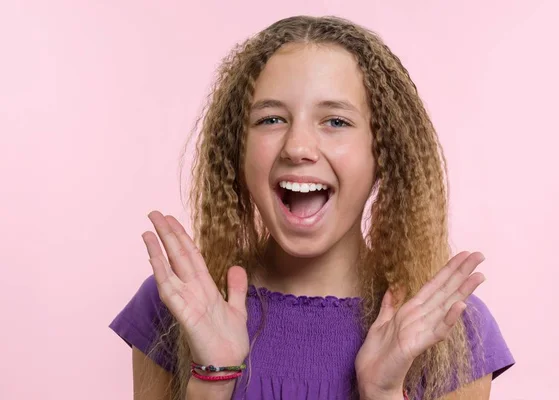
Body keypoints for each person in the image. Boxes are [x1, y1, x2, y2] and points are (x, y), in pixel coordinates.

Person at [109, 15, 515, 400]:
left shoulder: (450, 327)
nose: (298, 147)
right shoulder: (176, 305)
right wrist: (213, 379)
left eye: (335, 121)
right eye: (271, 119)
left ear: (384, 153)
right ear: (237, 152)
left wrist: (384, 392)